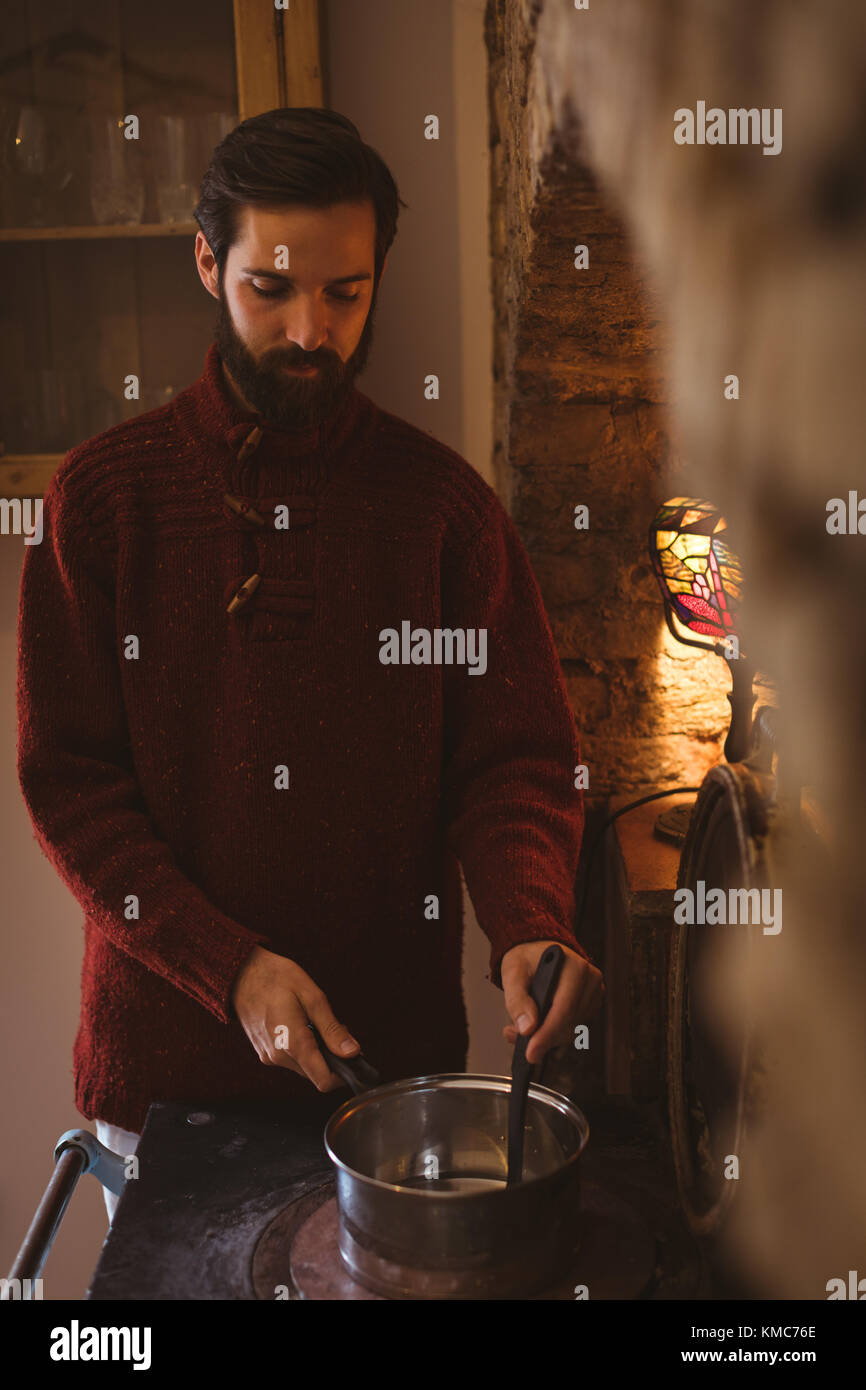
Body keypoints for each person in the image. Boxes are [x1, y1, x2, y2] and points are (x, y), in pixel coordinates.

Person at [15, 109, 603, 1225]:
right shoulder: (99, 503)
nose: (308, 329)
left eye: (345, 292)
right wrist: (229, 968)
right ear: (207, 261)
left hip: (390, 1087)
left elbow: (514, 761)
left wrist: (530, 917)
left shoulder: (443, 512)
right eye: (270, 288)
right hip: (163, 1088)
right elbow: (70, 786)